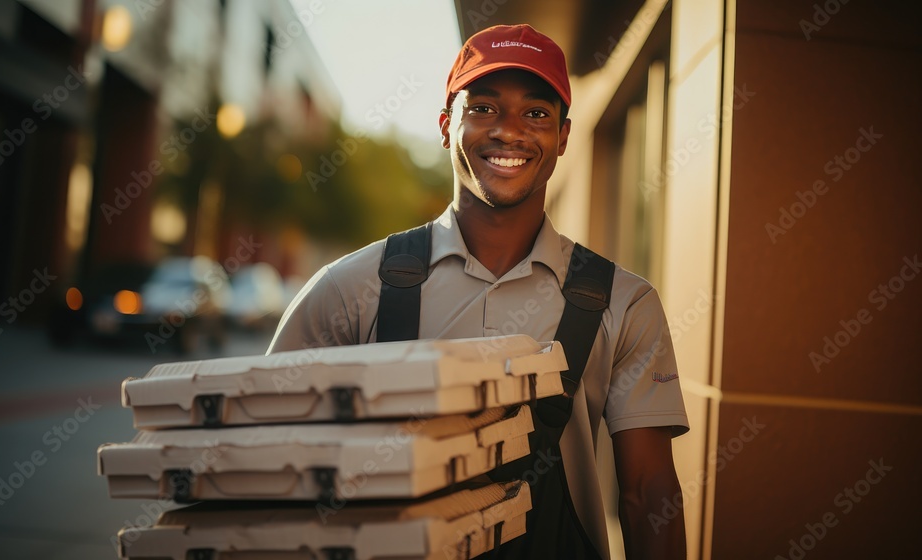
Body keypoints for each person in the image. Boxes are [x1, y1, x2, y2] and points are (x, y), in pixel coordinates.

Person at [268, 24, 689, 559]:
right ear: (447, 126)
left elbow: (648, 493)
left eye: (536, 113)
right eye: (484, 107)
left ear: (562, 136)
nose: (509, 131)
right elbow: (268, 463)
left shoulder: (624, 304)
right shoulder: (350, 289)